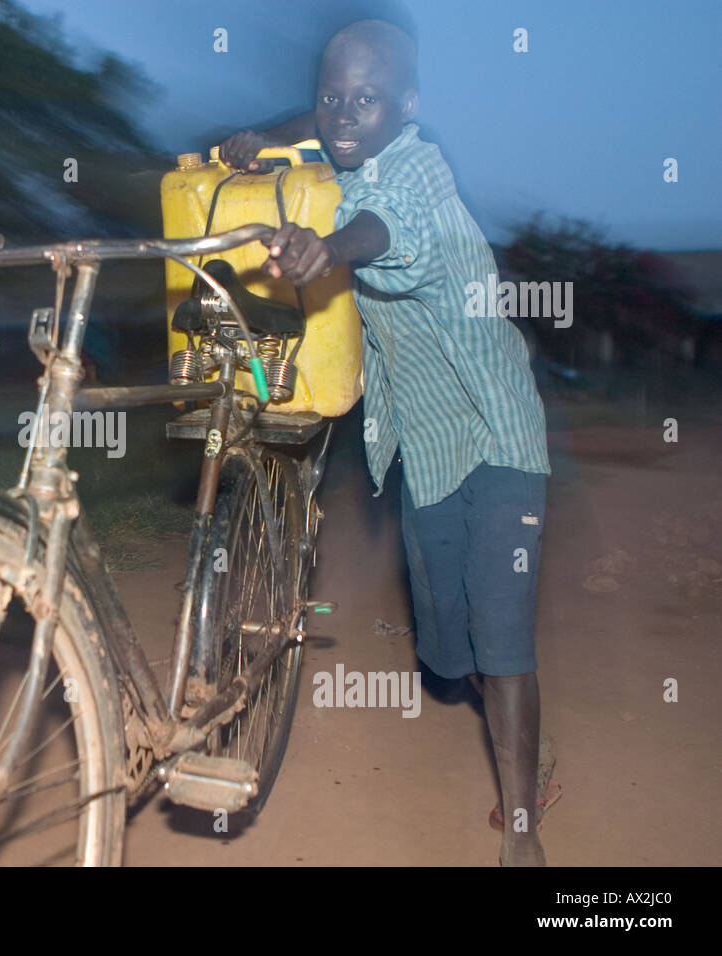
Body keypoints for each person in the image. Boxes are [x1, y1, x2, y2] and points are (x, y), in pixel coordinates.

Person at [220, 19, 557, 866]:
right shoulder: (337, 151)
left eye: (365, 98)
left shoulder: (419, 170)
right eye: (332, 95)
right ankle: (519, 741)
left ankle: (523, 827)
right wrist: (269, 141)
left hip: (500, 434)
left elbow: (383, 227)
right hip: (429, 451)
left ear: (405, 105)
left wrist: (325, 249)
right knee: (454, 655)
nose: (344, 112)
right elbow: (324, 140)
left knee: (504, 635)